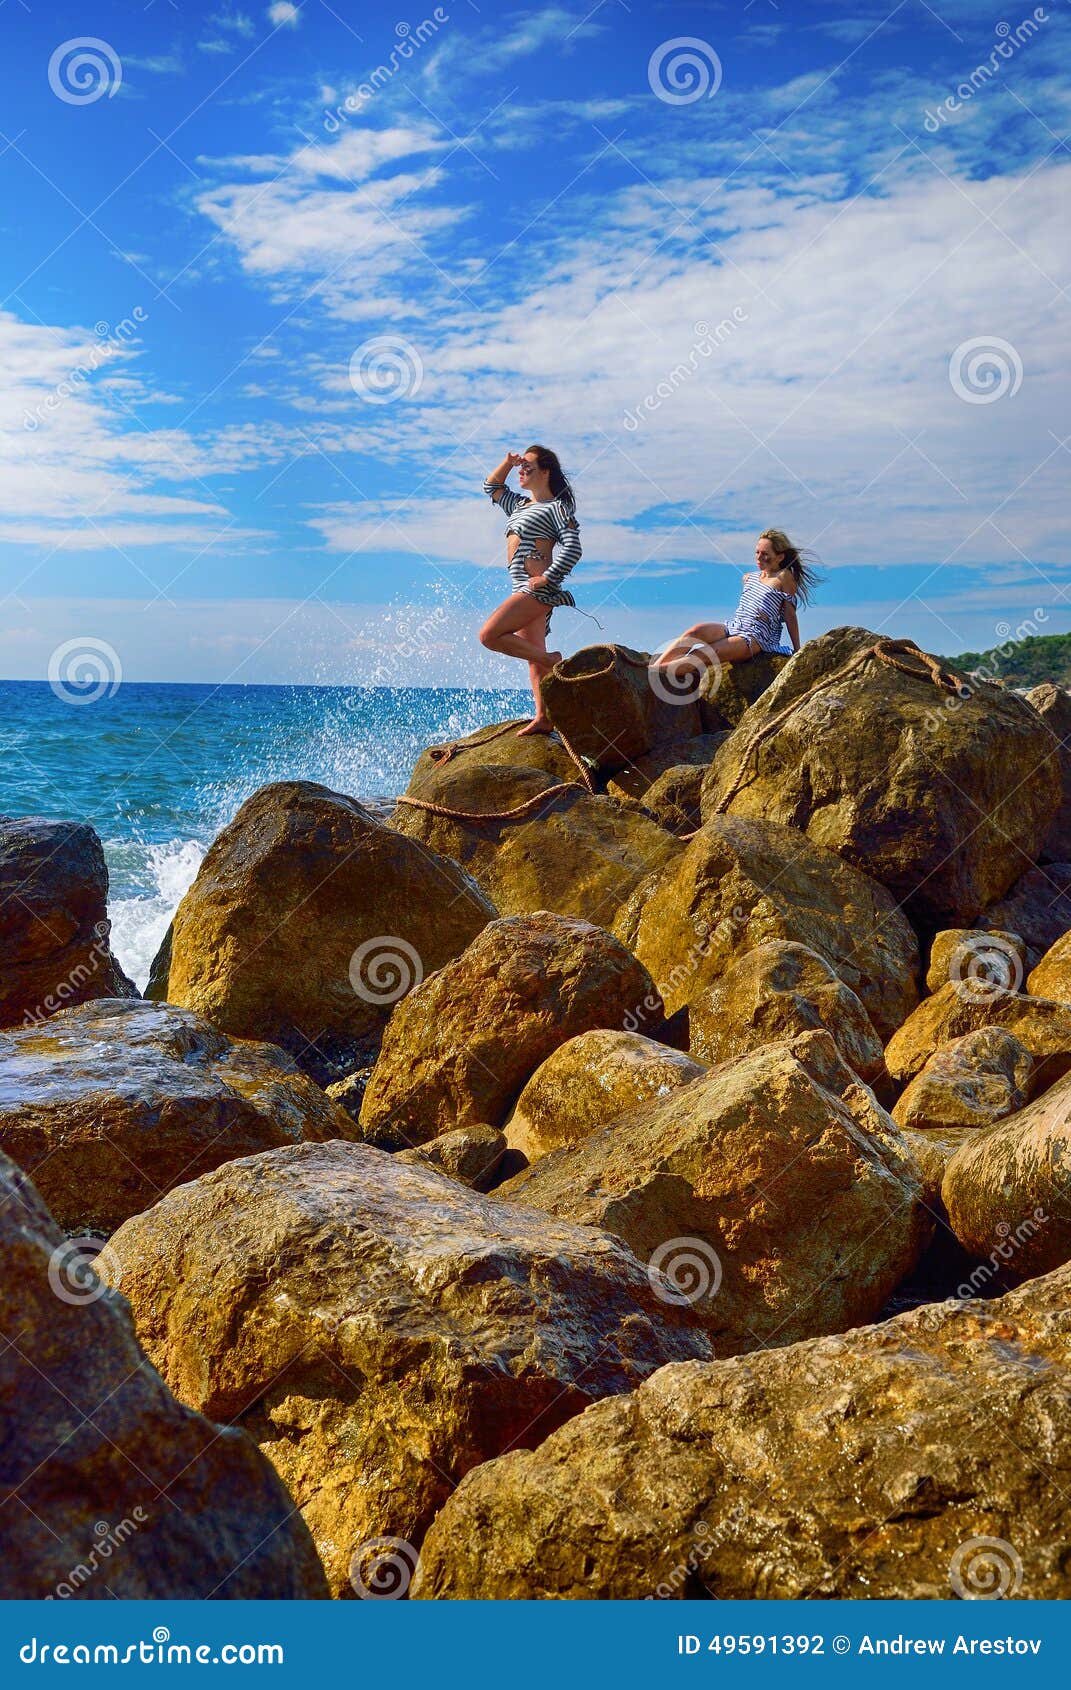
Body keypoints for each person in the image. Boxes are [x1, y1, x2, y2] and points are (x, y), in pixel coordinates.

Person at [480, 444, 582, 735]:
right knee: (533, 656)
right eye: (521, 467)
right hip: (520, 586)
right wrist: (508, 463)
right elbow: (491, 486)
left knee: (489, 635)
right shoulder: (520, 505)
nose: (522, 471)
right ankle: (543, 717)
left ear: (546, 472)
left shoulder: (558, 508)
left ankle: (553, 661)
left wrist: (548, 577)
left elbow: (573, 547)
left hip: (536, 589)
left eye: (528, 467)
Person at [651, 529, 820, 678]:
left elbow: (790, 615)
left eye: (765, 554)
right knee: (696, 630)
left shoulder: (784, 577)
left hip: (755, 637)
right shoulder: (748, 578)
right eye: (757, 552)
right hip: (734, 627)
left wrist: (798, 650)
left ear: (780, 557)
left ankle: (653, 672)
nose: (759, 558)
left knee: (703, 654)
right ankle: (657, 667)